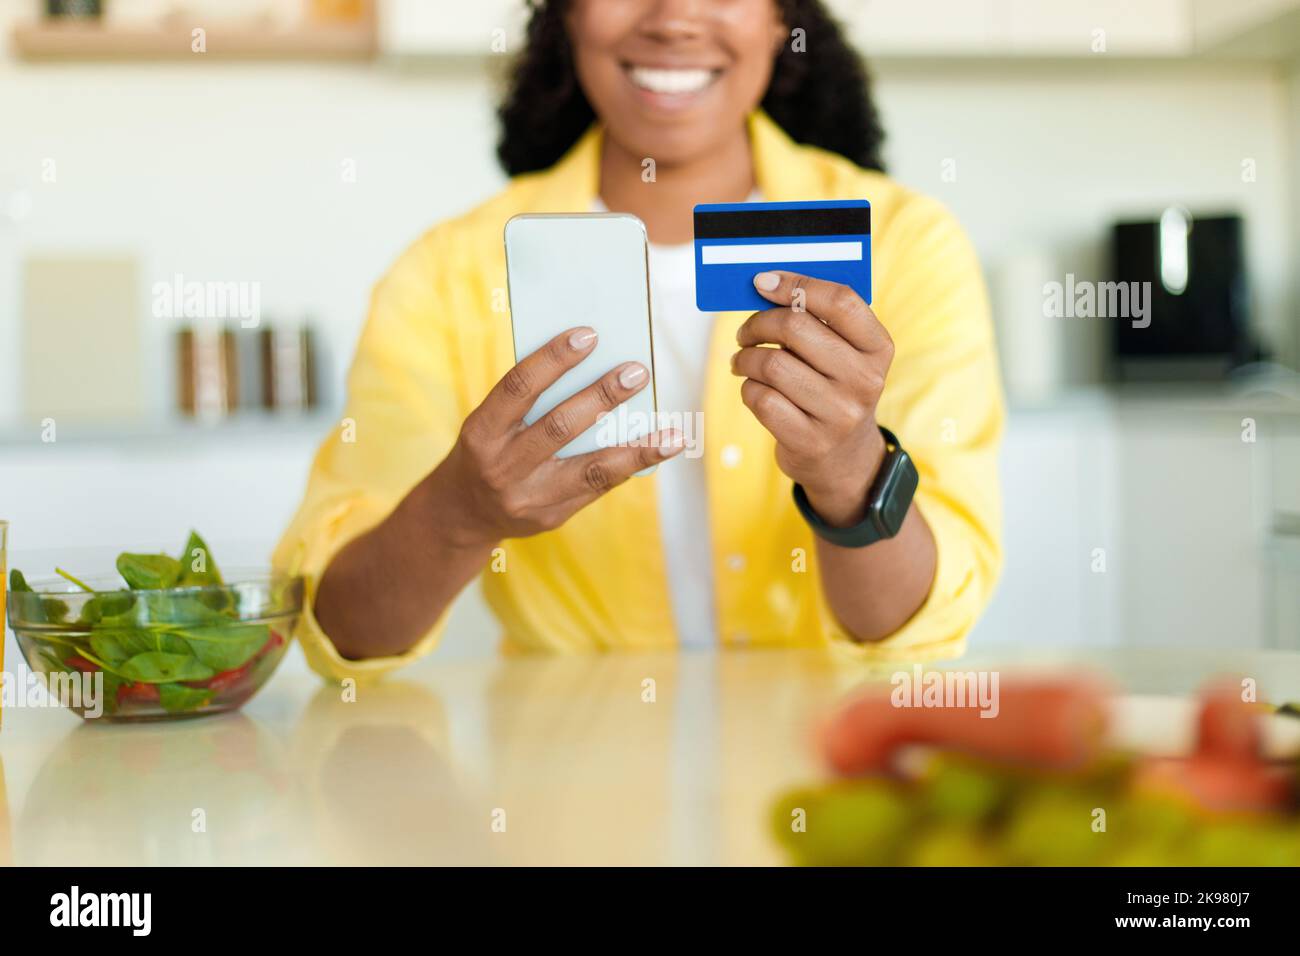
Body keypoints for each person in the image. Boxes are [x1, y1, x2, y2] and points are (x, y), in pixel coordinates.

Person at [274, 0, 1004, 680]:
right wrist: (457, 516)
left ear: (779, 16)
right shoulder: (446, 272)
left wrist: (850, 475)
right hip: (569, 766)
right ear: (567, 14)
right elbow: (344, 631)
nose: (673, 18)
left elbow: (916, 623)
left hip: (822, 757)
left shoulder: (905, 243)